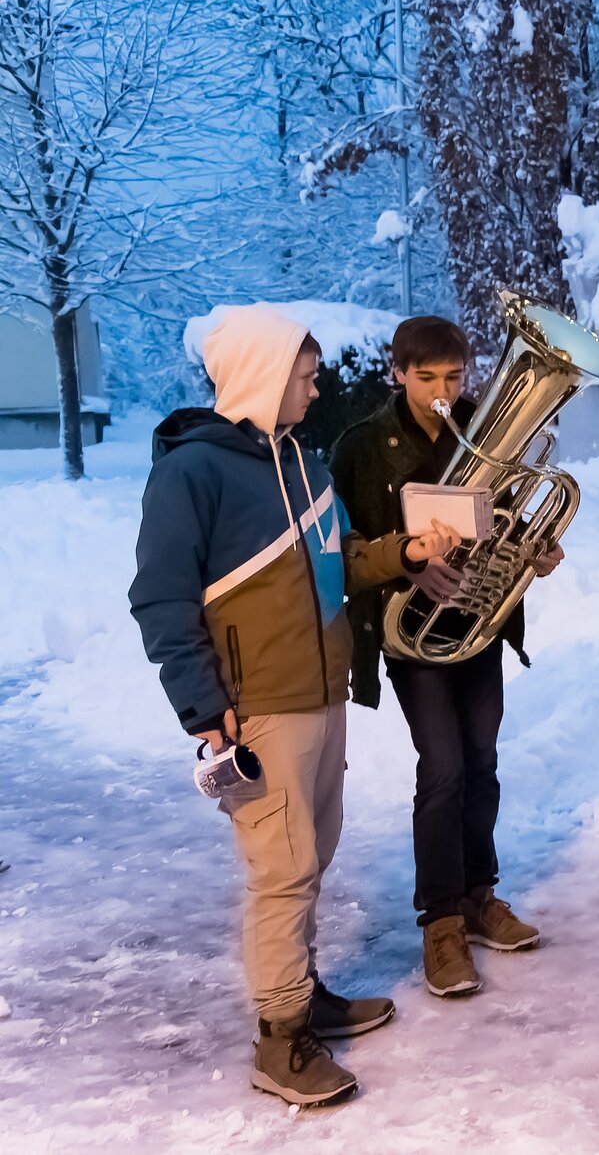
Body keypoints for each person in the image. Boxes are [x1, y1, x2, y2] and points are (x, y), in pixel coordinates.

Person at [131, 306, 459, 1105]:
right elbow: (161, 600)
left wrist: (406, 552)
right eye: (306, 379)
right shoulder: (193, 473)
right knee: (281, 871)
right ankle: (280, 1038)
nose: (315, 391)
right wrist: (205, 711)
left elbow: (340, 560)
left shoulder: (305, 465)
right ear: (264, 376)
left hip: (322, 694)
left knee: (314, 855)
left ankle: (302, 990)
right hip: (258, 707)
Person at [329, 315, 560, 1000]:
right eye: (426, 376)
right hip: (413, 632)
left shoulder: (481, 423)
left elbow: (513, 514)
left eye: (454, 376)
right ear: (398, 373)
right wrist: (407, 568)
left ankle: (480, 894)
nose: (441, 390)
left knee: (483, 761)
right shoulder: (363, 445)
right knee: (444, 766)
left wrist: (534, 549)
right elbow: (354, 546)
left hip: (477, 622)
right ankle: (440, 922)